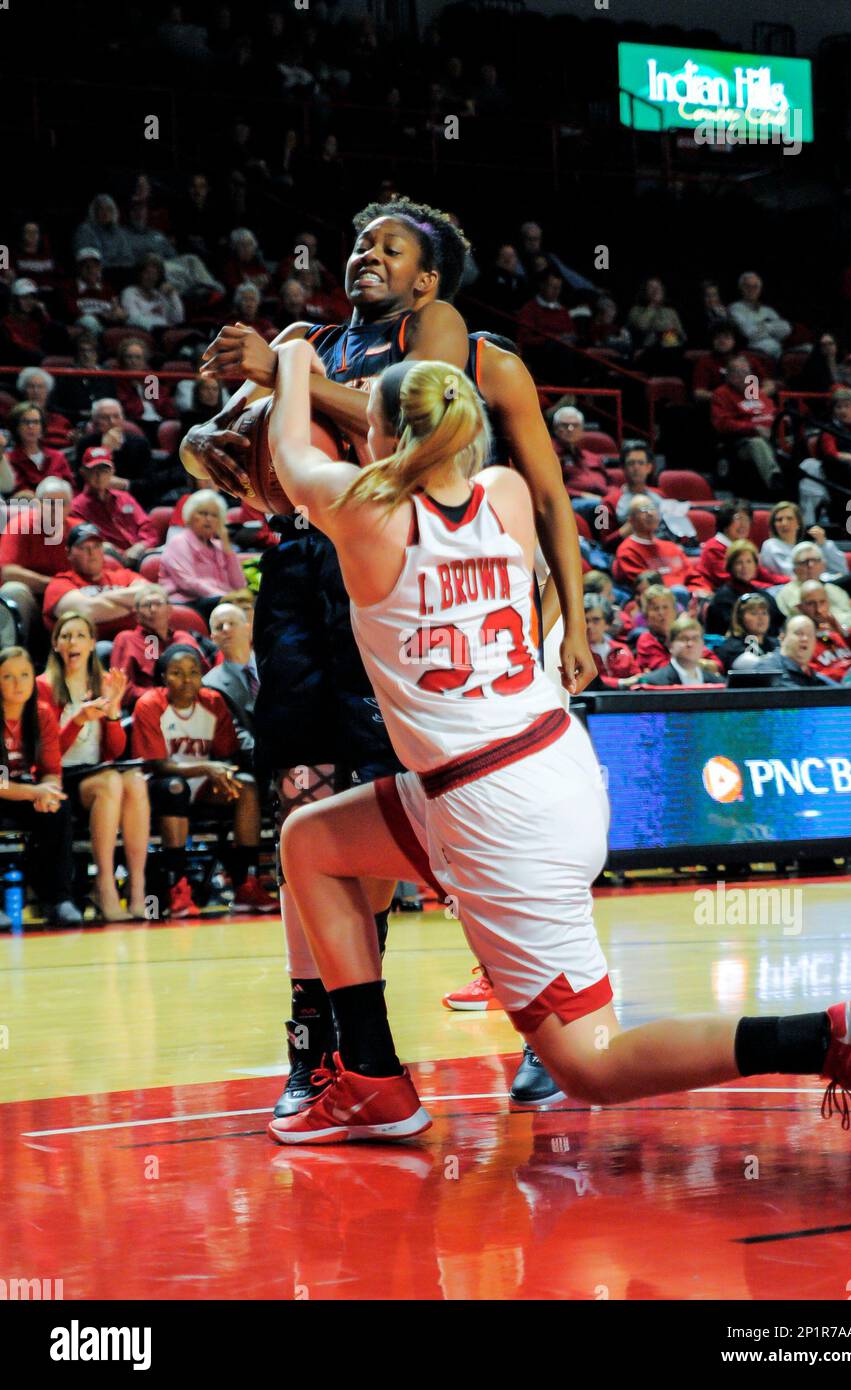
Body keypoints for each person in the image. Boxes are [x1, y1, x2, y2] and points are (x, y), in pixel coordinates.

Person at [263, 343, 851, 1163]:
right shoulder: (503, 495)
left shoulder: (365, 512)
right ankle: (371, 1082)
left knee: (591, 1065)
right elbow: (356, 465)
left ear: (381, 435)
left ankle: (839, 1035)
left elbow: (288, 456)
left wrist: (287, 362)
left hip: (491, 806)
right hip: (545, 757)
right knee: (313, 842)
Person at [186, 197, 591, 1110]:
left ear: (428, 276)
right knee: (310, 810)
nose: (367, 255)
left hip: (420, 586)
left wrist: (578, 618)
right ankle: (328, 1048)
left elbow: (416, 437)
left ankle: (538, 1012)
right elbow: (244, 466)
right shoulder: (307, 336)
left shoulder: (454, 340)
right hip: (303, 574)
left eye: (390, 246)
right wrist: (222, 440)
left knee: (448, 813)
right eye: (359, 242)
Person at [132, 644, 271, 916]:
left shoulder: (213, 702)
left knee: (246, 787)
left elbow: (227, 754)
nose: (187, 680)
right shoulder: (149, 704)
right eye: (177, 673)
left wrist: (220, 771)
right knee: (175, 788)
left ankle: (246, 884)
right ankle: (177, 888)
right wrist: (208, 768)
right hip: (159, 786)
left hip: (203, 783)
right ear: (164, 677)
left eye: (194, 672)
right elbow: (158, 766)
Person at [37, 612, 150, 921]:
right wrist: (76, 721)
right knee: (111, 781)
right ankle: (104, 883)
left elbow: (113, 750)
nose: (72, 641)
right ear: (55, 643)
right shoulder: (42, 687)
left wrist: (112, 711)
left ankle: (138, 888)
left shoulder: (101, 684)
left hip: (94, 770)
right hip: (57, 775)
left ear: (91, 644)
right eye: (65, 635)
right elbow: (47, 754)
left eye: (80, 636)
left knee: (136, 781)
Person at [0, 646, 81, 927]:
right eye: (8, 676)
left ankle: (57, 900)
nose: (18, 683)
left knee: (57, 808)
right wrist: (35, 792)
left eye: (24, 675)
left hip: (23, 790)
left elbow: (50, 770)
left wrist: (47, 792)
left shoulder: (42, 713)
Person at [0, 477, 75, 641]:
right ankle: (17, 656)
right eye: (49, 503)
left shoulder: (78, 530)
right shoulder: (20, 526)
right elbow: (8, 572)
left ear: (70, 507)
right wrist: (53, 585)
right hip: (34, 600)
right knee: (13, 590)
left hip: (68, 599)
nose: (55, 509)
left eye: (61, 503)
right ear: (37, 504)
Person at [42, 523, 145, 641]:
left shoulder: (124, 575)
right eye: (83, 547)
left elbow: (149, 595)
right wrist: (134, 606)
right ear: (69, 553)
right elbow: (87, 612)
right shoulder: (60, 583)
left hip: (135, 642)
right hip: (91, 649)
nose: (91, 552)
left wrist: (103, 598)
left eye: (96, 546)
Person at [110, 584, 204, 708]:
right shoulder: (127, 639)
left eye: (158, 603)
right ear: (136, 614)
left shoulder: (184, 637)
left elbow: (205, 677)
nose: (153, 609)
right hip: (150, 708)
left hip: (195, 705)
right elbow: (121, 690)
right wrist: (164, 696)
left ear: (170, 609)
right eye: (146, 605)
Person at [158, 489, 245, 617]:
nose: (209, 519)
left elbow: (239, 585)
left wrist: (227, 548)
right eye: (203, 513)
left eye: (215, 515)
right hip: (188, 602)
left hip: (220, 600)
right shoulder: (179, 542)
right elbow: (188, 583)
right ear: (190, 515)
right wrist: (224, 596)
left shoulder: (220, 546)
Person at [70, 448, 157, 567]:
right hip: (110, 561)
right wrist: (124, 554)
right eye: (94, 470)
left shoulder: (124, 498)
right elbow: (90, 542)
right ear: (83, 472)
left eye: (104, 470)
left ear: (112, 472)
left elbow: (146, 526)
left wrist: (141, 545)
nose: (99, 475)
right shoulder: (77, 508)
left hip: (141, 553)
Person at [710, 354, 782, 493]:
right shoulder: (721, 394)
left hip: (772, 435)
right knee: (757, 443)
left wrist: (782, 420)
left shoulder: (756, 391)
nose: (746, 376)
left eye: (747, 372)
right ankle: (775, 480)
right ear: (730, 375)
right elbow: (722, 424)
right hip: (741, 443)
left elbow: (772, 412)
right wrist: (753, 428)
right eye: (740, 372)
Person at [612, 496, 706, 597]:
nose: (650, 513)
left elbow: (693, 577)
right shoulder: (627, 551)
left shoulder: (671, 547)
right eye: (643, 510)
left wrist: (697, 591)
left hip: (687, 598)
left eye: (653, 508)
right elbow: (645, 587)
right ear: (631, 520)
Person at [202, 601, 257, 760]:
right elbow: (235, 733)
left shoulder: (275, 664)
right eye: (219, 627)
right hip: (256, 760)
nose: (226, 629)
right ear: (213, 639)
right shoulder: (210, 684)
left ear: (248, 629)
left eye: (232, 623)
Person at [775, 542, 851, 635]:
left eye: (815, 560)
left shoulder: (835, 590)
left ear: (823, 566)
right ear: (794, 569)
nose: (811, 565)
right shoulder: (789, 592)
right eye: (805, 562)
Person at [703, 540, 784, 639]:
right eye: (739, 562)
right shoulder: (722, 598)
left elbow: (779, 623)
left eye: (749, 561)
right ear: (730, 566)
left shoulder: (764, 596)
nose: (745, 567)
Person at [796, 581, 851, 682]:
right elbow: (815, 678)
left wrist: (841, 630)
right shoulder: (800, 642)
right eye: (811, 604)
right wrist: (848, 669)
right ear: (800, 608)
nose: (818, 610)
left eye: (822, 602)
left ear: (828, 603)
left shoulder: (837, 634)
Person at [758, 500, 850, 579]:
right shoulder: (771, 545)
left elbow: (842, 570)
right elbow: (792, 574)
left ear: (798, 523)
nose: (784, 523)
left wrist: (823, 544)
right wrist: (828, 578)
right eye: (779, 520)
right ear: (774, 525)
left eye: (789, 518)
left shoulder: (806, 548)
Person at [5, 402, 75, 496]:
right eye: (25, 422)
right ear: (16, 427)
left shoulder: (57, 457)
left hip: (58, 508)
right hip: (25, 508)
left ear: (42, 427)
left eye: (36, 422)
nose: (31, 426)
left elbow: (71, 489)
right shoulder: (8, 460)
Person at [638, 617, 726, 687]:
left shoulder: (718, 683)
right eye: (684, 639)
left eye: (695, 638)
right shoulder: (653, 683)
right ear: (670, 645)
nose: (690, 644)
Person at [757, 615, 836, 688]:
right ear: (782, 638)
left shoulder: (816, 677)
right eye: (799, 633)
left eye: (810, 635)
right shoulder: (769, 667)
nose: (805, 639)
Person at [728, 271, 791, 361]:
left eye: (755, 287)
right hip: (752, 352)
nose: (751, 290)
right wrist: (771, 328)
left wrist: (764, 326)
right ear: (741, 288)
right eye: (747, 286)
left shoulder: (768, 310)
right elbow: (748, 333)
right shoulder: (735, 308)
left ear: (760, 289)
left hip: (776, 350)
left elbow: (786, 329)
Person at [584, 597, 640, 690]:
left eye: (596, 620)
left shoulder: (622, 649)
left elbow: (636, 676)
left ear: (607, 623)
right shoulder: (577, 652)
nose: (589, 626)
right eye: (585, 621)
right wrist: (620, 683)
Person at [713, 594, 779, 672]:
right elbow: (761, 668)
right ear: (740, 618)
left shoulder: (776, 643)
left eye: (764, 613)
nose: (761, 618)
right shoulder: (732, 647)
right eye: (754, 613)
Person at [15, 368, 72, 450]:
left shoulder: (61, 420)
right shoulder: (15, 418)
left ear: (47, 392)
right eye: (31, 386)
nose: (36, 391)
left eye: (40, 387)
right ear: (23, 391)